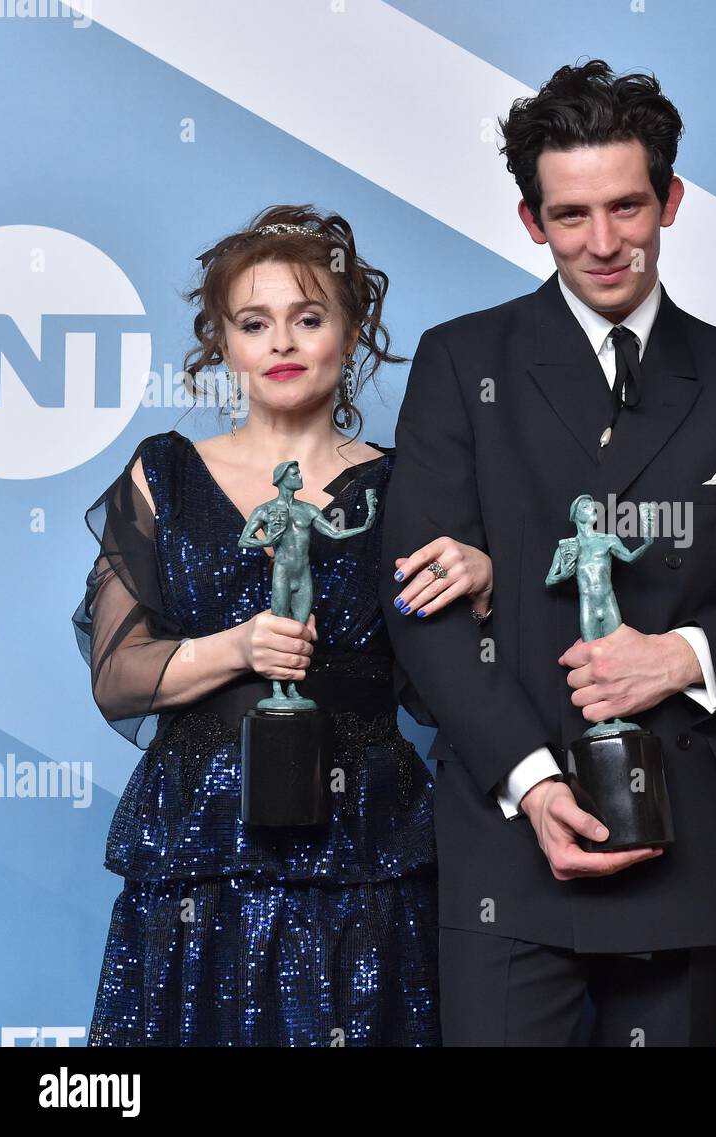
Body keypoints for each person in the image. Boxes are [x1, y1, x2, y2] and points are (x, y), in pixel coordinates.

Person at [379, 60, 716, 1046]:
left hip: (695, 830)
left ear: (671, 200)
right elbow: (422, 604)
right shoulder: (460, 361)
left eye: (626, 207)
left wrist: (683, 657)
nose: (603, 243)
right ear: (531, 220)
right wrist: (531, 782)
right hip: (507, 835)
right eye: (571, 216)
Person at [74, 205, 492, 1046]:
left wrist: (484, 586)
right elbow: (118, 672)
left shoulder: (406, 484)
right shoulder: (164, 473)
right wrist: (236, 646)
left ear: (352, 329)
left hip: (365, 829)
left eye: (309, 317)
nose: (282, 343)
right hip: (203, 833)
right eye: (254, 323)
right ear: (222, 341)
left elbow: (443, 683)